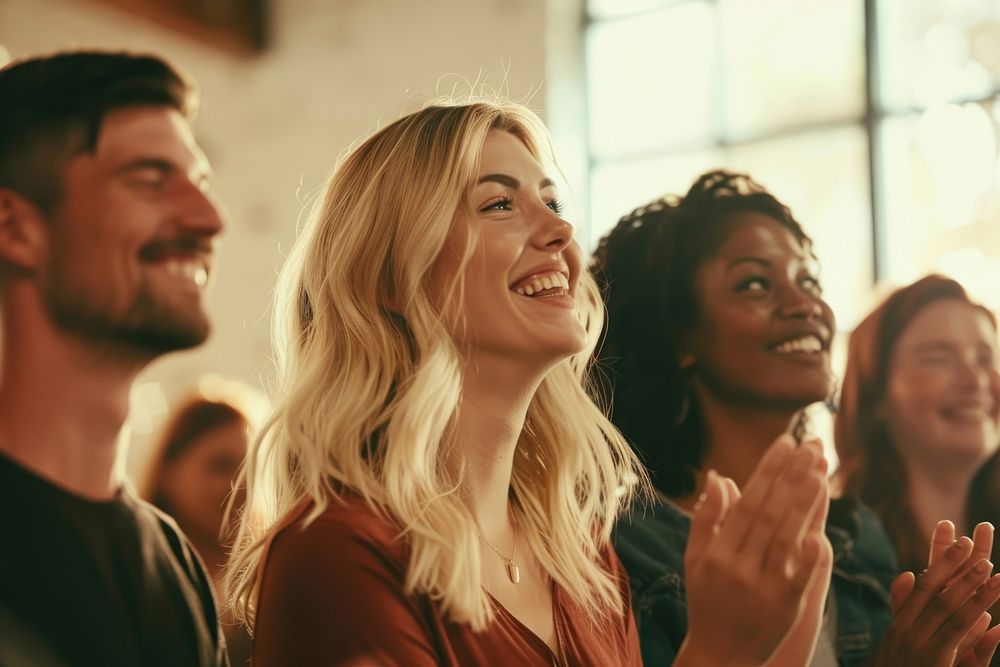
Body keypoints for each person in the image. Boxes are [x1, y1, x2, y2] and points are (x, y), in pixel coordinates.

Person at [225, 102, 831, 666]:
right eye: (499, 205)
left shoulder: (583, 556)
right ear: (388, 276)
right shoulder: (337, 553)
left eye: (553, 204)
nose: (560, 234)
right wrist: (721, 651)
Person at [593, 170, 1000, 666]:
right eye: (756, 284)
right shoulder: (624, 552)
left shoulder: (857, 536)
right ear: (679, 336)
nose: (805, 305)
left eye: (809, 280)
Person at [0, 51, 228, 666]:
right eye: (150, 180)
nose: (209, 220)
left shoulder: (173, 562)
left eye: (201, 185)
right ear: (15, 228)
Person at [835, 274, 1000, 650]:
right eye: (938, 359)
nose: (974, 379)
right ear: (876, 399)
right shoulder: (833, 558)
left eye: (986, 357)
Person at [143, 378, 264, 666]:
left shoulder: (264, 600)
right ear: (167, 472)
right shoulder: (140, 582)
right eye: (221, 465)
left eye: (252, 468)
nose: (241, 485)